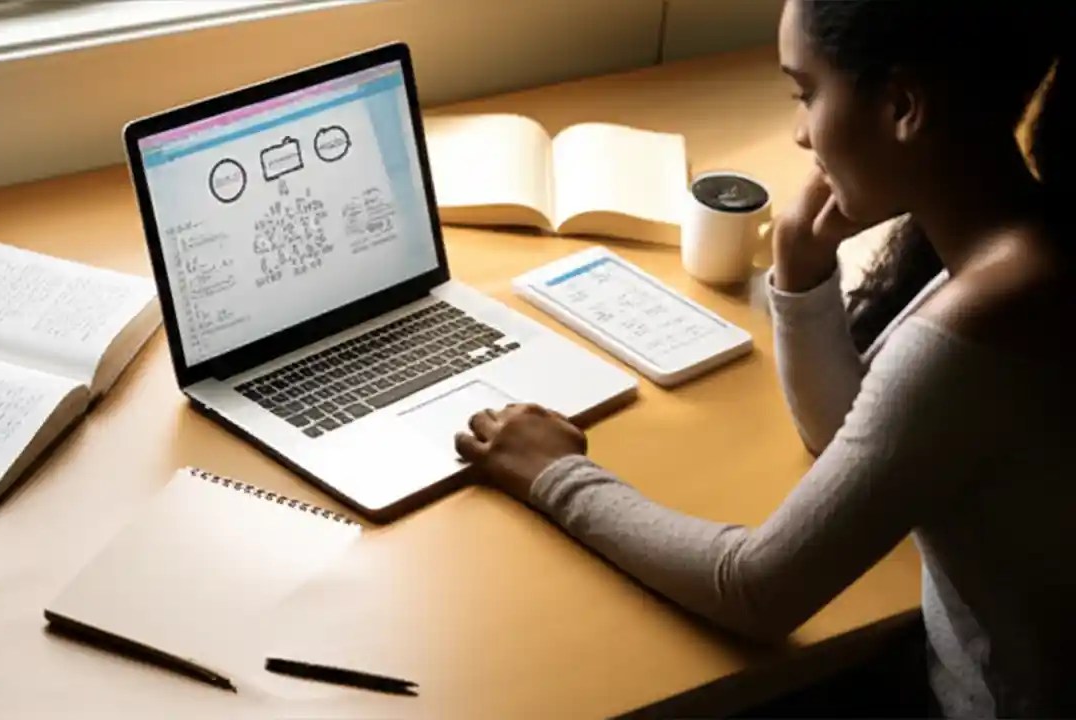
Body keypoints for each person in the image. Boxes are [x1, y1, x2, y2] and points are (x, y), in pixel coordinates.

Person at [454, 1, 1075, 716]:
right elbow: (853, 436)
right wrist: (801, 271)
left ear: (903, 106)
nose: (800, 133)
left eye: (806, 93)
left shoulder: (990, 316)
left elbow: (755, 590)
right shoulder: (1020, 247)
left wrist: (555, 475)